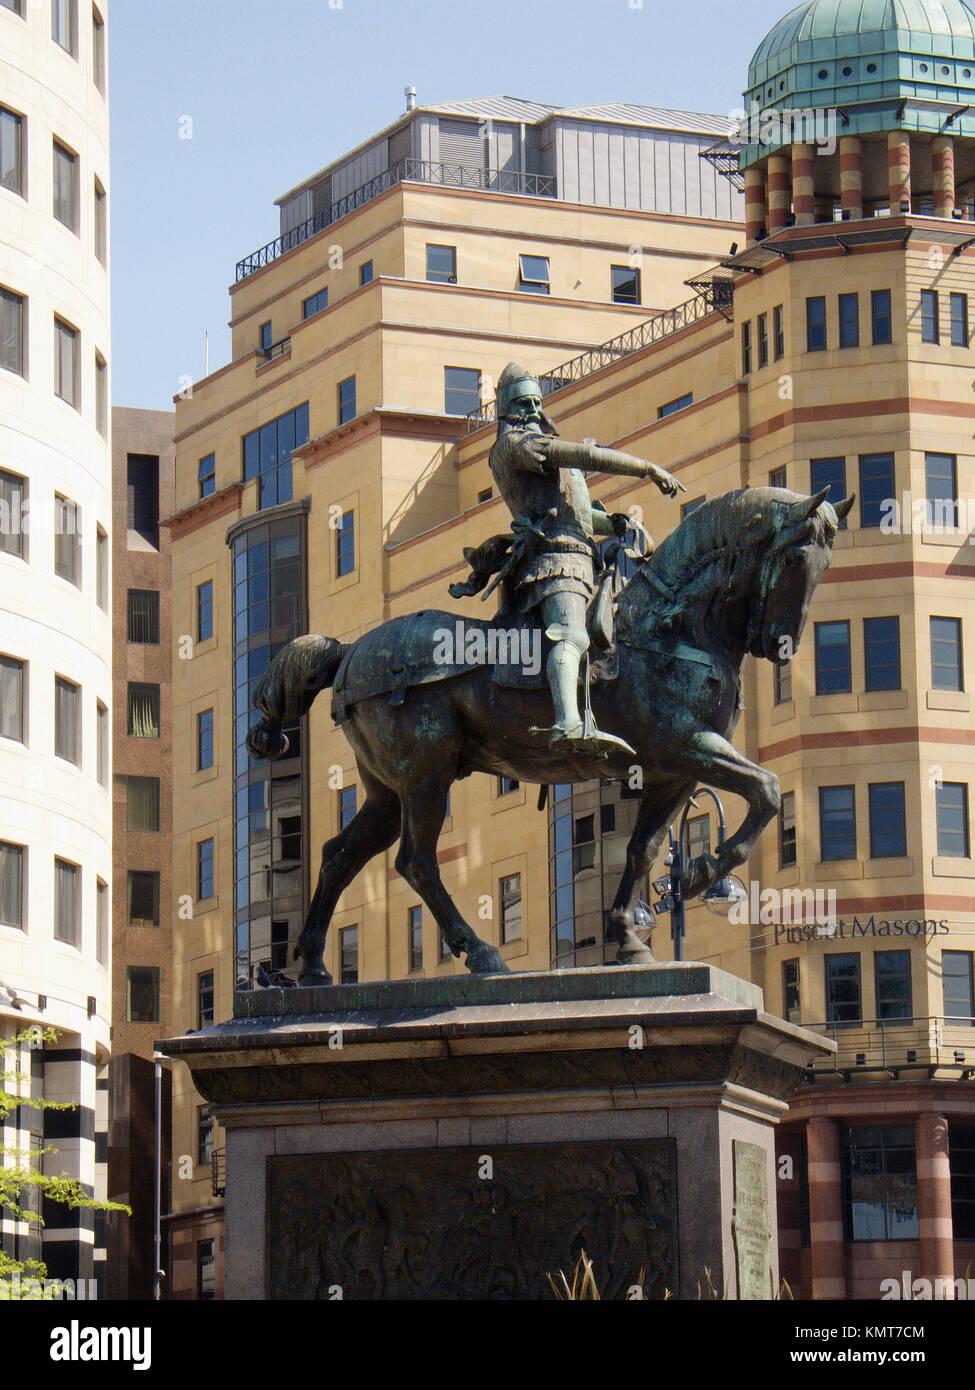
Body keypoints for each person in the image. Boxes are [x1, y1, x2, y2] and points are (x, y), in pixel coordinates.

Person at [486, 362, 684, 757]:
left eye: (535, 403)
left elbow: (574, 512)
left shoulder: (543, 449)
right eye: (522, 403)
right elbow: (585, 455)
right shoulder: (518, 445)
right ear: (505, 408)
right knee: (572, 633)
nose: (530, 411)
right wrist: (646, 468)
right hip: (553, 562)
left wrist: (611, 522)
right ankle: (567, 723)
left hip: (582, 558)